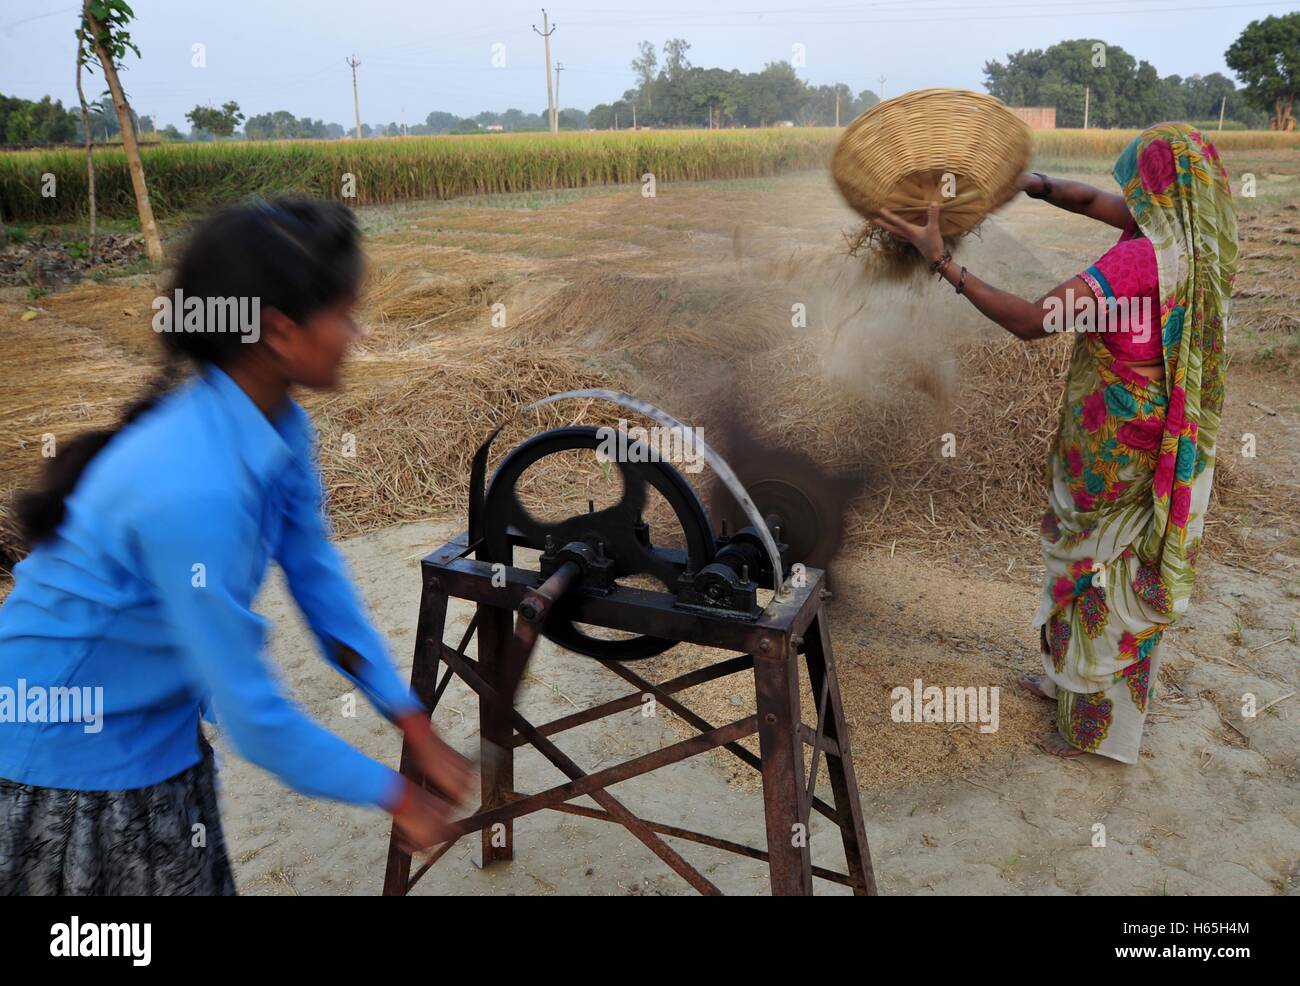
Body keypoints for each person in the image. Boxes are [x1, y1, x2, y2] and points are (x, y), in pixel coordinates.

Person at [0, 197, 470, 894]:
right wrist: (394, 795)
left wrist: (408, 716)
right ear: (279, 333)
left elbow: (319, 584)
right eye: (343, 314)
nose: (357, 335)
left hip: (153, 733)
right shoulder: (198, 487)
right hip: (62, 760)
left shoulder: (279, 428)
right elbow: (253, 717)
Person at [872, 123, 1238, 761]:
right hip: (1136, 425)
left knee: (1097, 563)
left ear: (1155, 189)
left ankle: (1094, 729)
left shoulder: (1140, 258)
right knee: (1080, 553)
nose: (1123, 194)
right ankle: (1059, 677)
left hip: (1117, 441)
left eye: (1136, 182)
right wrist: (1028, 184)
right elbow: (1094, 202)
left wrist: (940, 260)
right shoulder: (1191, 236)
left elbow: (1030, 321)